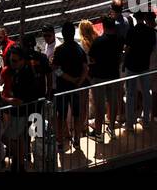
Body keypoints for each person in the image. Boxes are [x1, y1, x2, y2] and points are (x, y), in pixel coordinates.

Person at [52, 21, 89, 153]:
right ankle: (77, 139)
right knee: (77, 114)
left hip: (62, 88)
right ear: (73, 34)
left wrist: (69, 78)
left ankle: (60, 142)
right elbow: (86, 68)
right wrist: (78, 81)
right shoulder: (79, 49)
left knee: (60, 116)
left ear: (62, 34)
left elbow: (56, 70)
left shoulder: (59, 50)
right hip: (75, 88)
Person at [88, 16, 123, 136]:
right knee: (113, 103)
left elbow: (91, 58)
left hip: (99, 77)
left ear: (103, 26)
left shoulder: (98, 41)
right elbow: (120, 56)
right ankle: (111, 129)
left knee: (99, 106)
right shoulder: (119, 40)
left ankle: (98, 133)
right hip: (113, 75)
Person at [122, 11, 157, 127]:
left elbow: (127, 49)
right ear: (143, 18)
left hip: (132, 65)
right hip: (144, 65)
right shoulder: (150, 31)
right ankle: (146, 120)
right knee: (146, 93)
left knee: (130, 94)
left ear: (136, 18)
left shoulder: (131, 31)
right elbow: (152, 48)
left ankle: (130, 123)